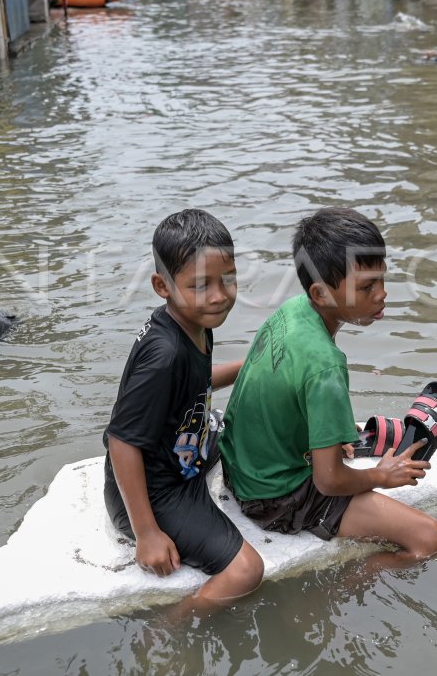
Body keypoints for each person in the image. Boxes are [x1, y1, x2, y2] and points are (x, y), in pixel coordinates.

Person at [219, 207, 437, 571]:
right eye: (367, 287)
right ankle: (353, 584)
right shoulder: (325, 365)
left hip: (239, 470)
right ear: (322, 294)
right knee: (431, 538)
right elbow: (328, 481)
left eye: (382, 280)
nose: (382, 294)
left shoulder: (292, 311)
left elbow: (275, 386)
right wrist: (381, 476)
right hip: (273, 498)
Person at [103, 209, 263, 609]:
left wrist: (249, 367)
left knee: (246, 425)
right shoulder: (165, 354)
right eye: (200, 285)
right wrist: (147, 533)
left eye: (227, 280)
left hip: (184, 453)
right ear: (162, 286)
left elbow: (200, 382)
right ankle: (172, 630)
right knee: (245, 571)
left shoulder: (194, 322)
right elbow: (121, 441)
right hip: (157, 494)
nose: (219, 295)